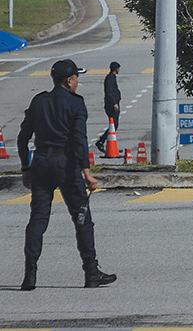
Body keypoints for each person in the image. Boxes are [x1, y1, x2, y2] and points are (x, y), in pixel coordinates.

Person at [16, 59, 117, 290]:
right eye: (76, 78)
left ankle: (29, 275)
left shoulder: (39, 101)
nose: (78, 82)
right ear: (69, 80)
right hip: (66, 165)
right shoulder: (75, 104)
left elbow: (23, 139)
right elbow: (79, 141)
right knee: (82, 219)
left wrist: (25, 168)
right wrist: (87, 173)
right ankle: (91, 272)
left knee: (38, 219)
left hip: (41, 163)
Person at [95, 62, 121, 151]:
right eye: (118, 68)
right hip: (111, 105)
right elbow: (109, 92)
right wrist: (114, 103)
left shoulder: (112, 77)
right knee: (114, 124)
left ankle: (108, 143)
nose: (119, 70)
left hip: (113, 104)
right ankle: (101, 141)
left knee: (114, 124)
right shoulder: (110, 78)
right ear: (115, 69)